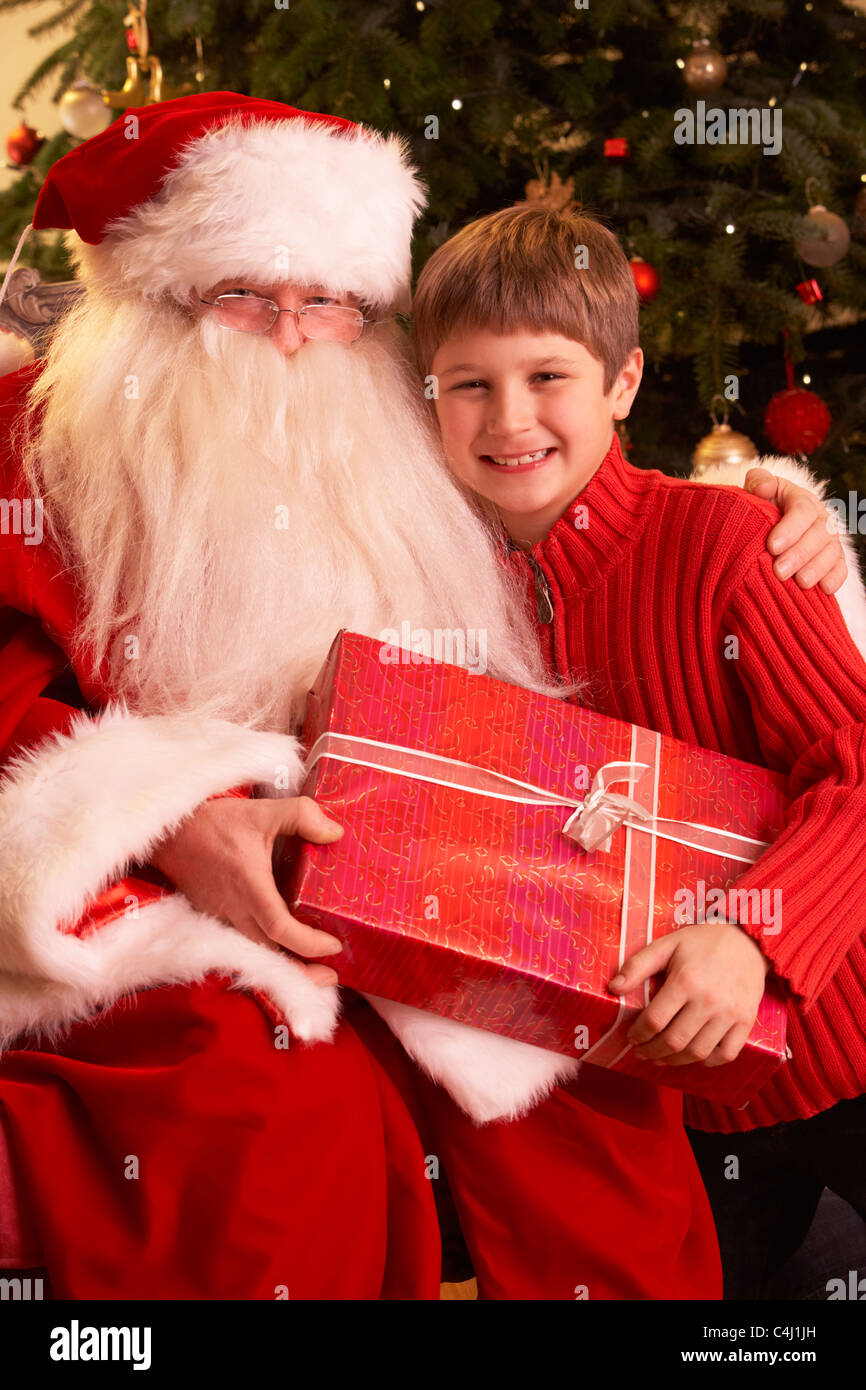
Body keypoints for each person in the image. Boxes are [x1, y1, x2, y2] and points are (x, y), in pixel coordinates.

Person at [0, 93, 850, 1300]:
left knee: (575, 1099)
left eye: (329, 302)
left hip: (430, 865)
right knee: (272, 1099)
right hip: (148, 893)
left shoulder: (397, 431)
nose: (294, 336)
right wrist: (170, 822)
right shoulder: (41, 450)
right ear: (152, 295)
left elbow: (576, 483)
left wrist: (773, 501)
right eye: (244, 294)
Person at [396, 200, 866, 1300]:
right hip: (667, 1092)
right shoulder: (433, 590)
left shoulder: (726, 544)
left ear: (621, 382)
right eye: (468, 384)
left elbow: (853, 762)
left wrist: (755, 941)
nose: (509, 418)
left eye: (547, 376)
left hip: (839, 1033)